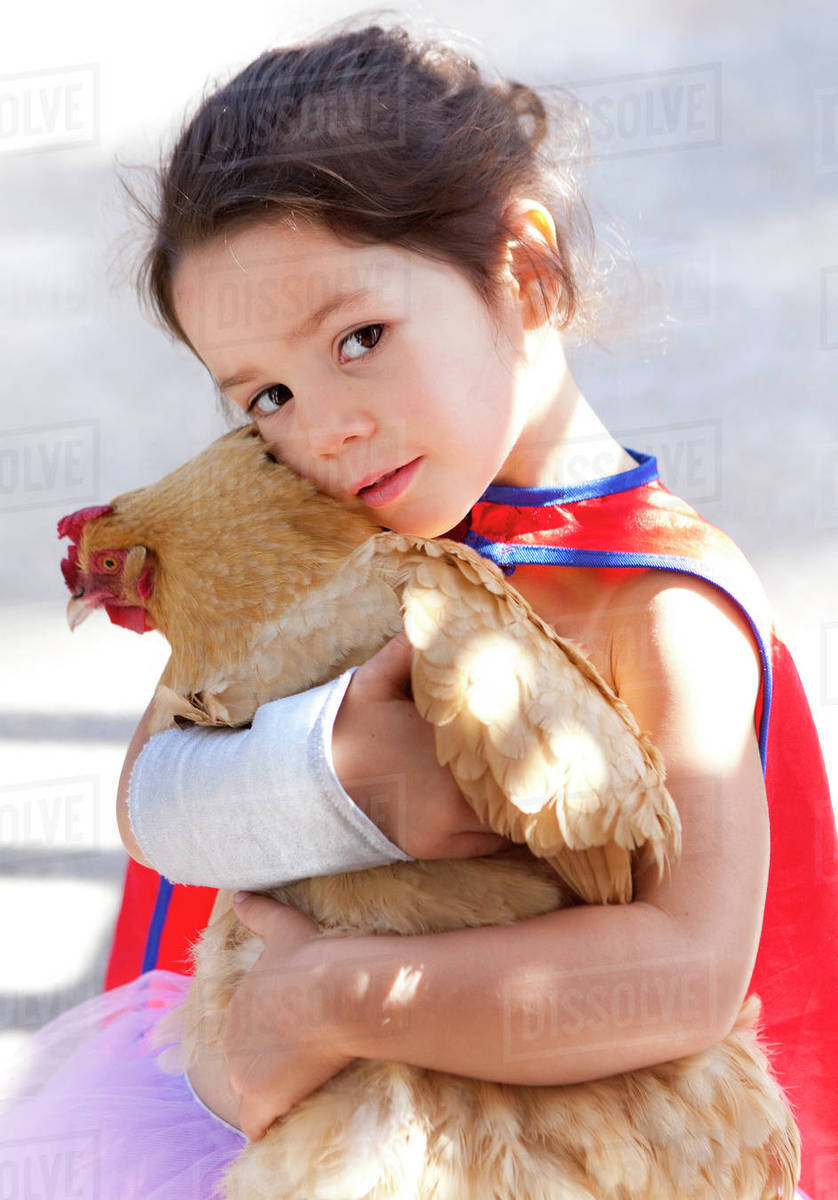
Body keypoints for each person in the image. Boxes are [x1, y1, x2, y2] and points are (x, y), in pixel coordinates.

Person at [0, 17, 832, 1200]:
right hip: (236, 1128)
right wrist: (325, 767)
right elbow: (154, 798)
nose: (322, 428)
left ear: (523, 271)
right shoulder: (312, 519)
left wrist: (330, 999)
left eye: (362, 338)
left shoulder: (654, 599)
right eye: (267, 392)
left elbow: (687, 971)